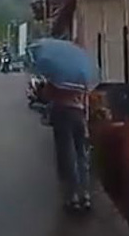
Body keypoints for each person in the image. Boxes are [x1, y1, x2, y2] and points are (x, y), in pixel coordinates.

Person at [43, 81, 91, 211]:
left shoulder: (58, 77)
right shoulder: (81, 75)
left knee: (67, 154)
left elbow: (47, 94)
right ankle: (85, 194)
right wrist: (86, 122)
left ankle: (73, 195)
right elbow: (86, 99)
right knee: (81, 153)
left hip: (63, 114)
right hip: (79, 114)